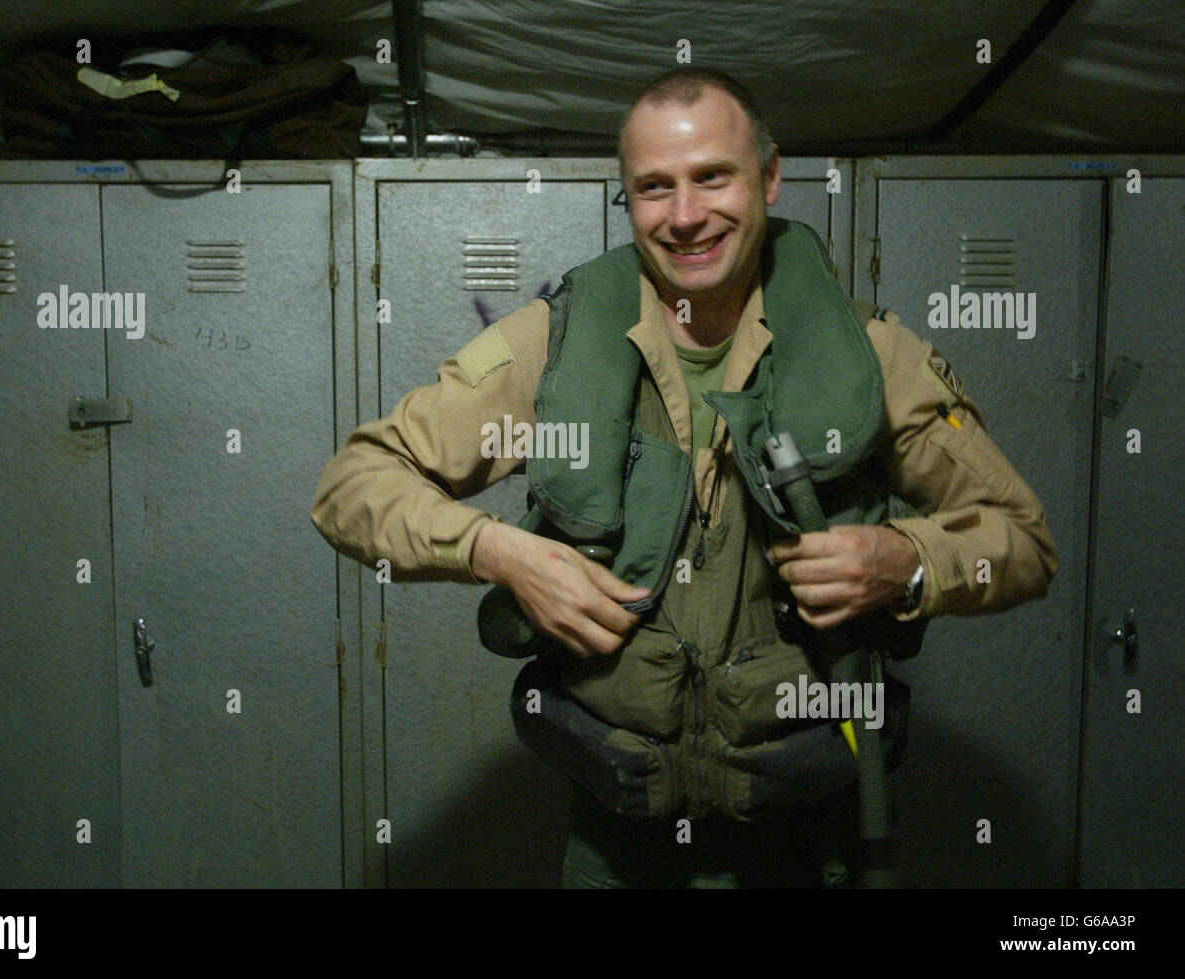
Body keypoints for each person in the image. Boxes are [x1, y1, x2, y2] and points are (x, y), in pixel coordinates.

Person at [311, 67, 1058, 887]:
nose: (687, 214)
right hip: (616, 848)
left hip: (808, 846)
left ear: (769, 176)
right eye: (654, 188)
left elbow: (1022, 539)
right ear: (627, 200)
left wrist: (905, 560)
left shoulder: (869, 356)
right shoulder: (556, 348)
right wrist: (502, 554)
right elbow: (352, 483)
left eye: (713, 176)